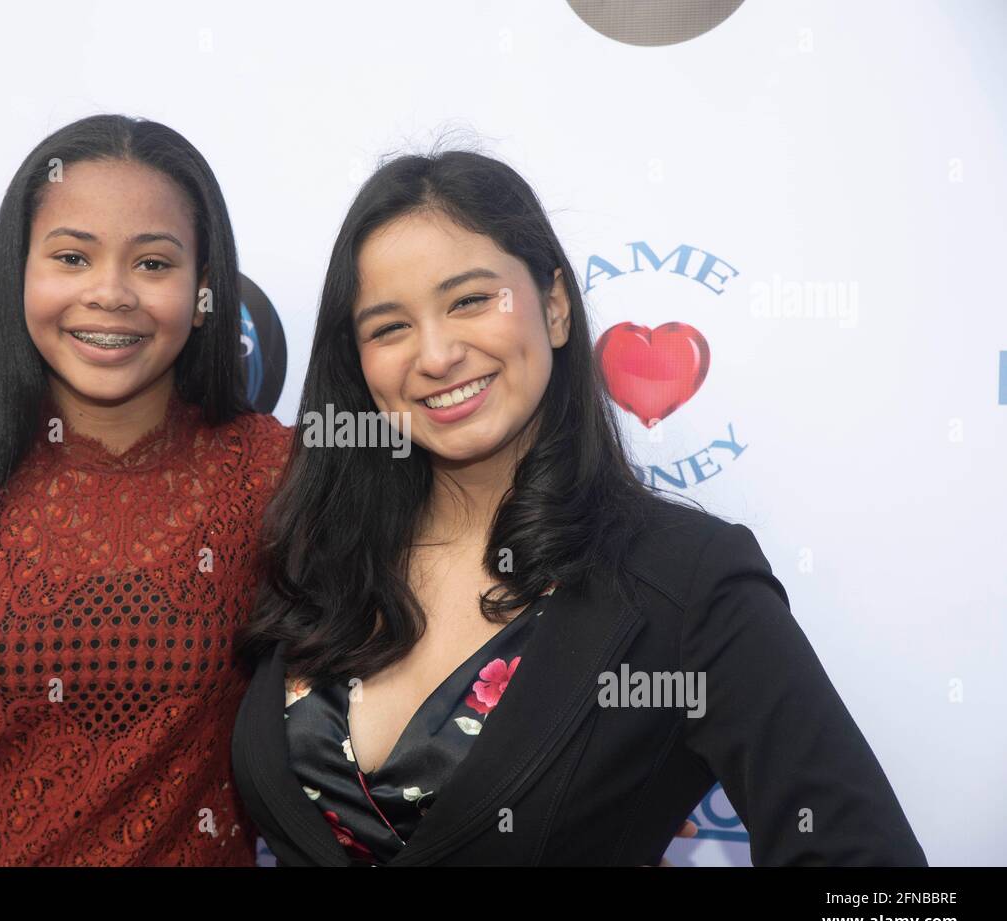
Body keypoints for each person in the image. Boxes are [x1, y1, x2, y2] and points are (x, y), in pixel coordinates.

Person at [230, 148, 927, 866]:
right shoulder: (319, 554)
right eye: (388, 327)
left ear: (555, 306)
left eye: (470, 300)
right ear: (358, 360)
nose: (435, 355)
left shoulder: (682, 582)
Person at [0, 115, 289, 866]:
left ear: (205, 289)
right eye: (72, 256)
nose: (110, 294)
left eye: (153, 264)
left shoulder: (274, 479)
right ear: (20, 273)